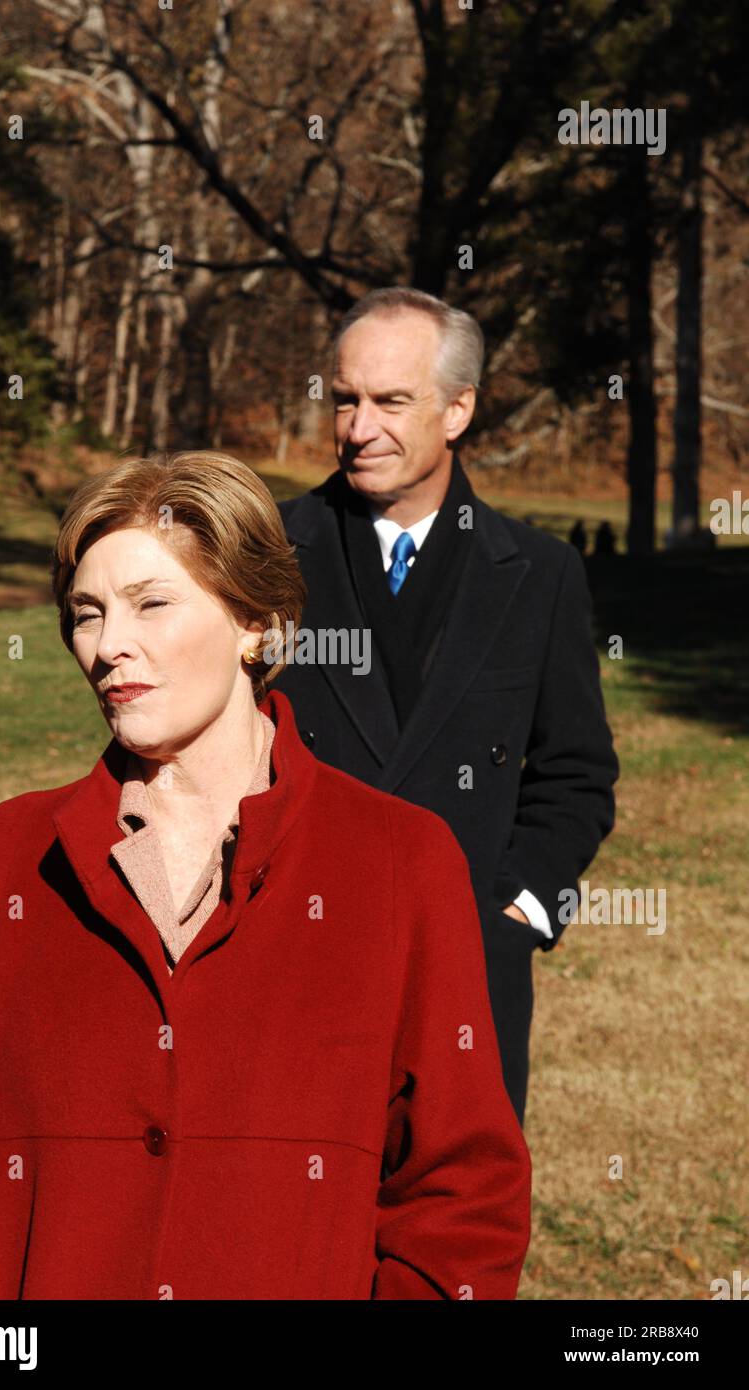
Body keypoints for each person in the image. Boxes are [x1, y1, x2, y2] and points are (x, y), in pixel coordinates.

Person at [0, 451, 530, 1301]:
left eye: (152, 604)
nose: (109, 646)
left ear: (255, 621)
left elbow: (461, 1194)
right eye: (86, 614)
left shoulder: (400, 861)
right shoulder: (9, 856)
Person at [274, 288, 620, 1127]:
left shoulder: (538, 573)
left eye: (391, 401)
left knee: (455, 1238)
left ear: (458, 409)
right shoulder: (265, 552)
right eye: (345, 399)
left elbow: (575, 775)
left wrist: (519, 914)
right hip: (285, 972)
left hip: (467, 979)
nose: (358, 428)